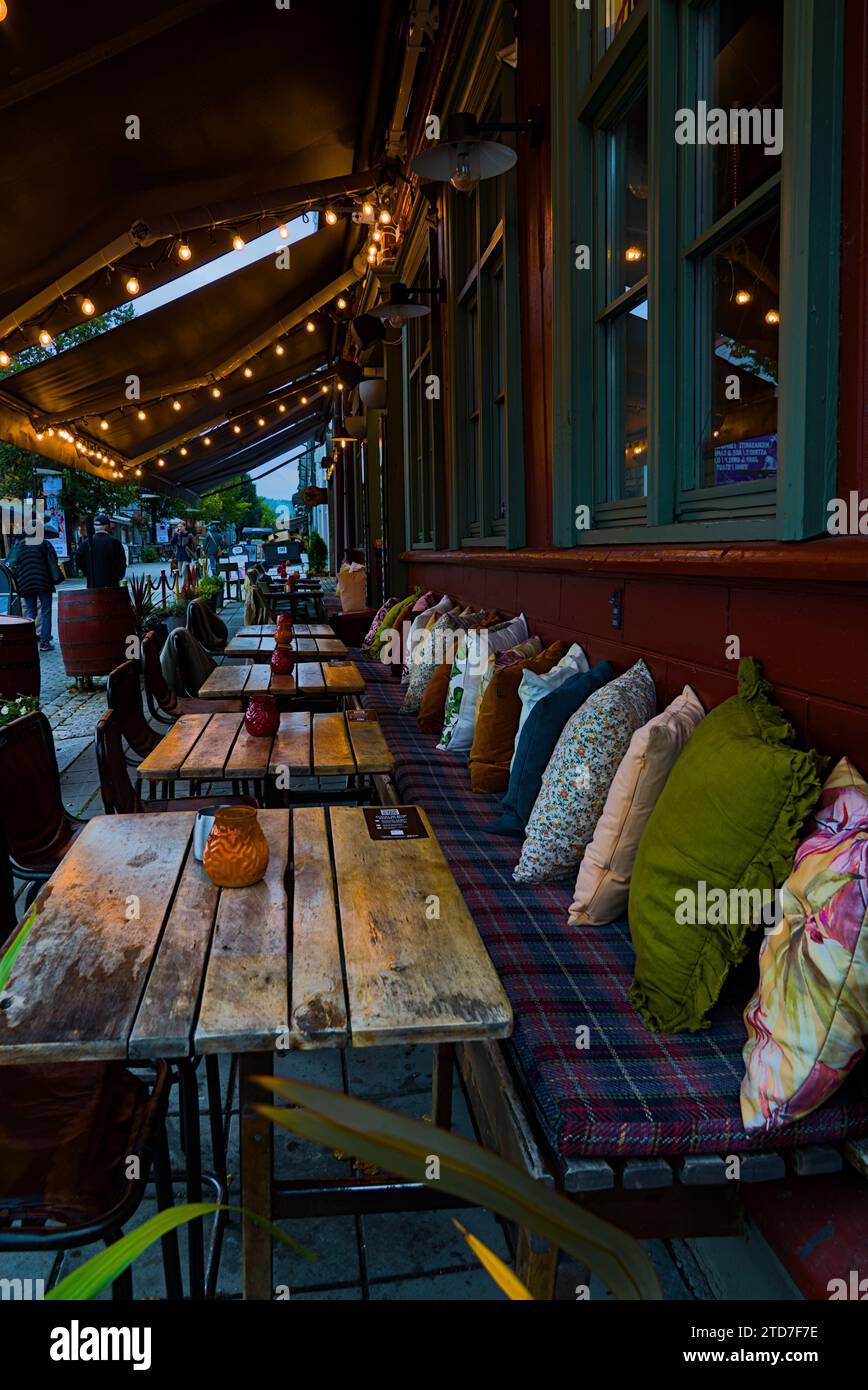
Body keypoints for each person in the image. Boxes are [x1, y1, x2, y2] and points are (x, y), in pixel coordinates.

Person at [8, 530, 65, 651]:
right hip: (43, 582)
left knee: (30, 611)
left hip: (25, 583)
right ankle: (45, 642)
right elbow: (53, 561)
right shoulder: (44, 543)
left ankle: (27, 640)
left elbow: (12, 563)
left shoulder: (19, 545)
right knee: (46, 611)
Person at [74, 513, 126, 589]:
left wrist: (87, 571)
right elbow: (121, 561)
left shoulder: (86, 543)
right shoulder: (114, 542)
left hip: (93, 582)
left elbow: (78, 558)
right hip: (111, 582)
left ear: (95, 527)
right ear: (108, 527)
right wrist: (118, 575)